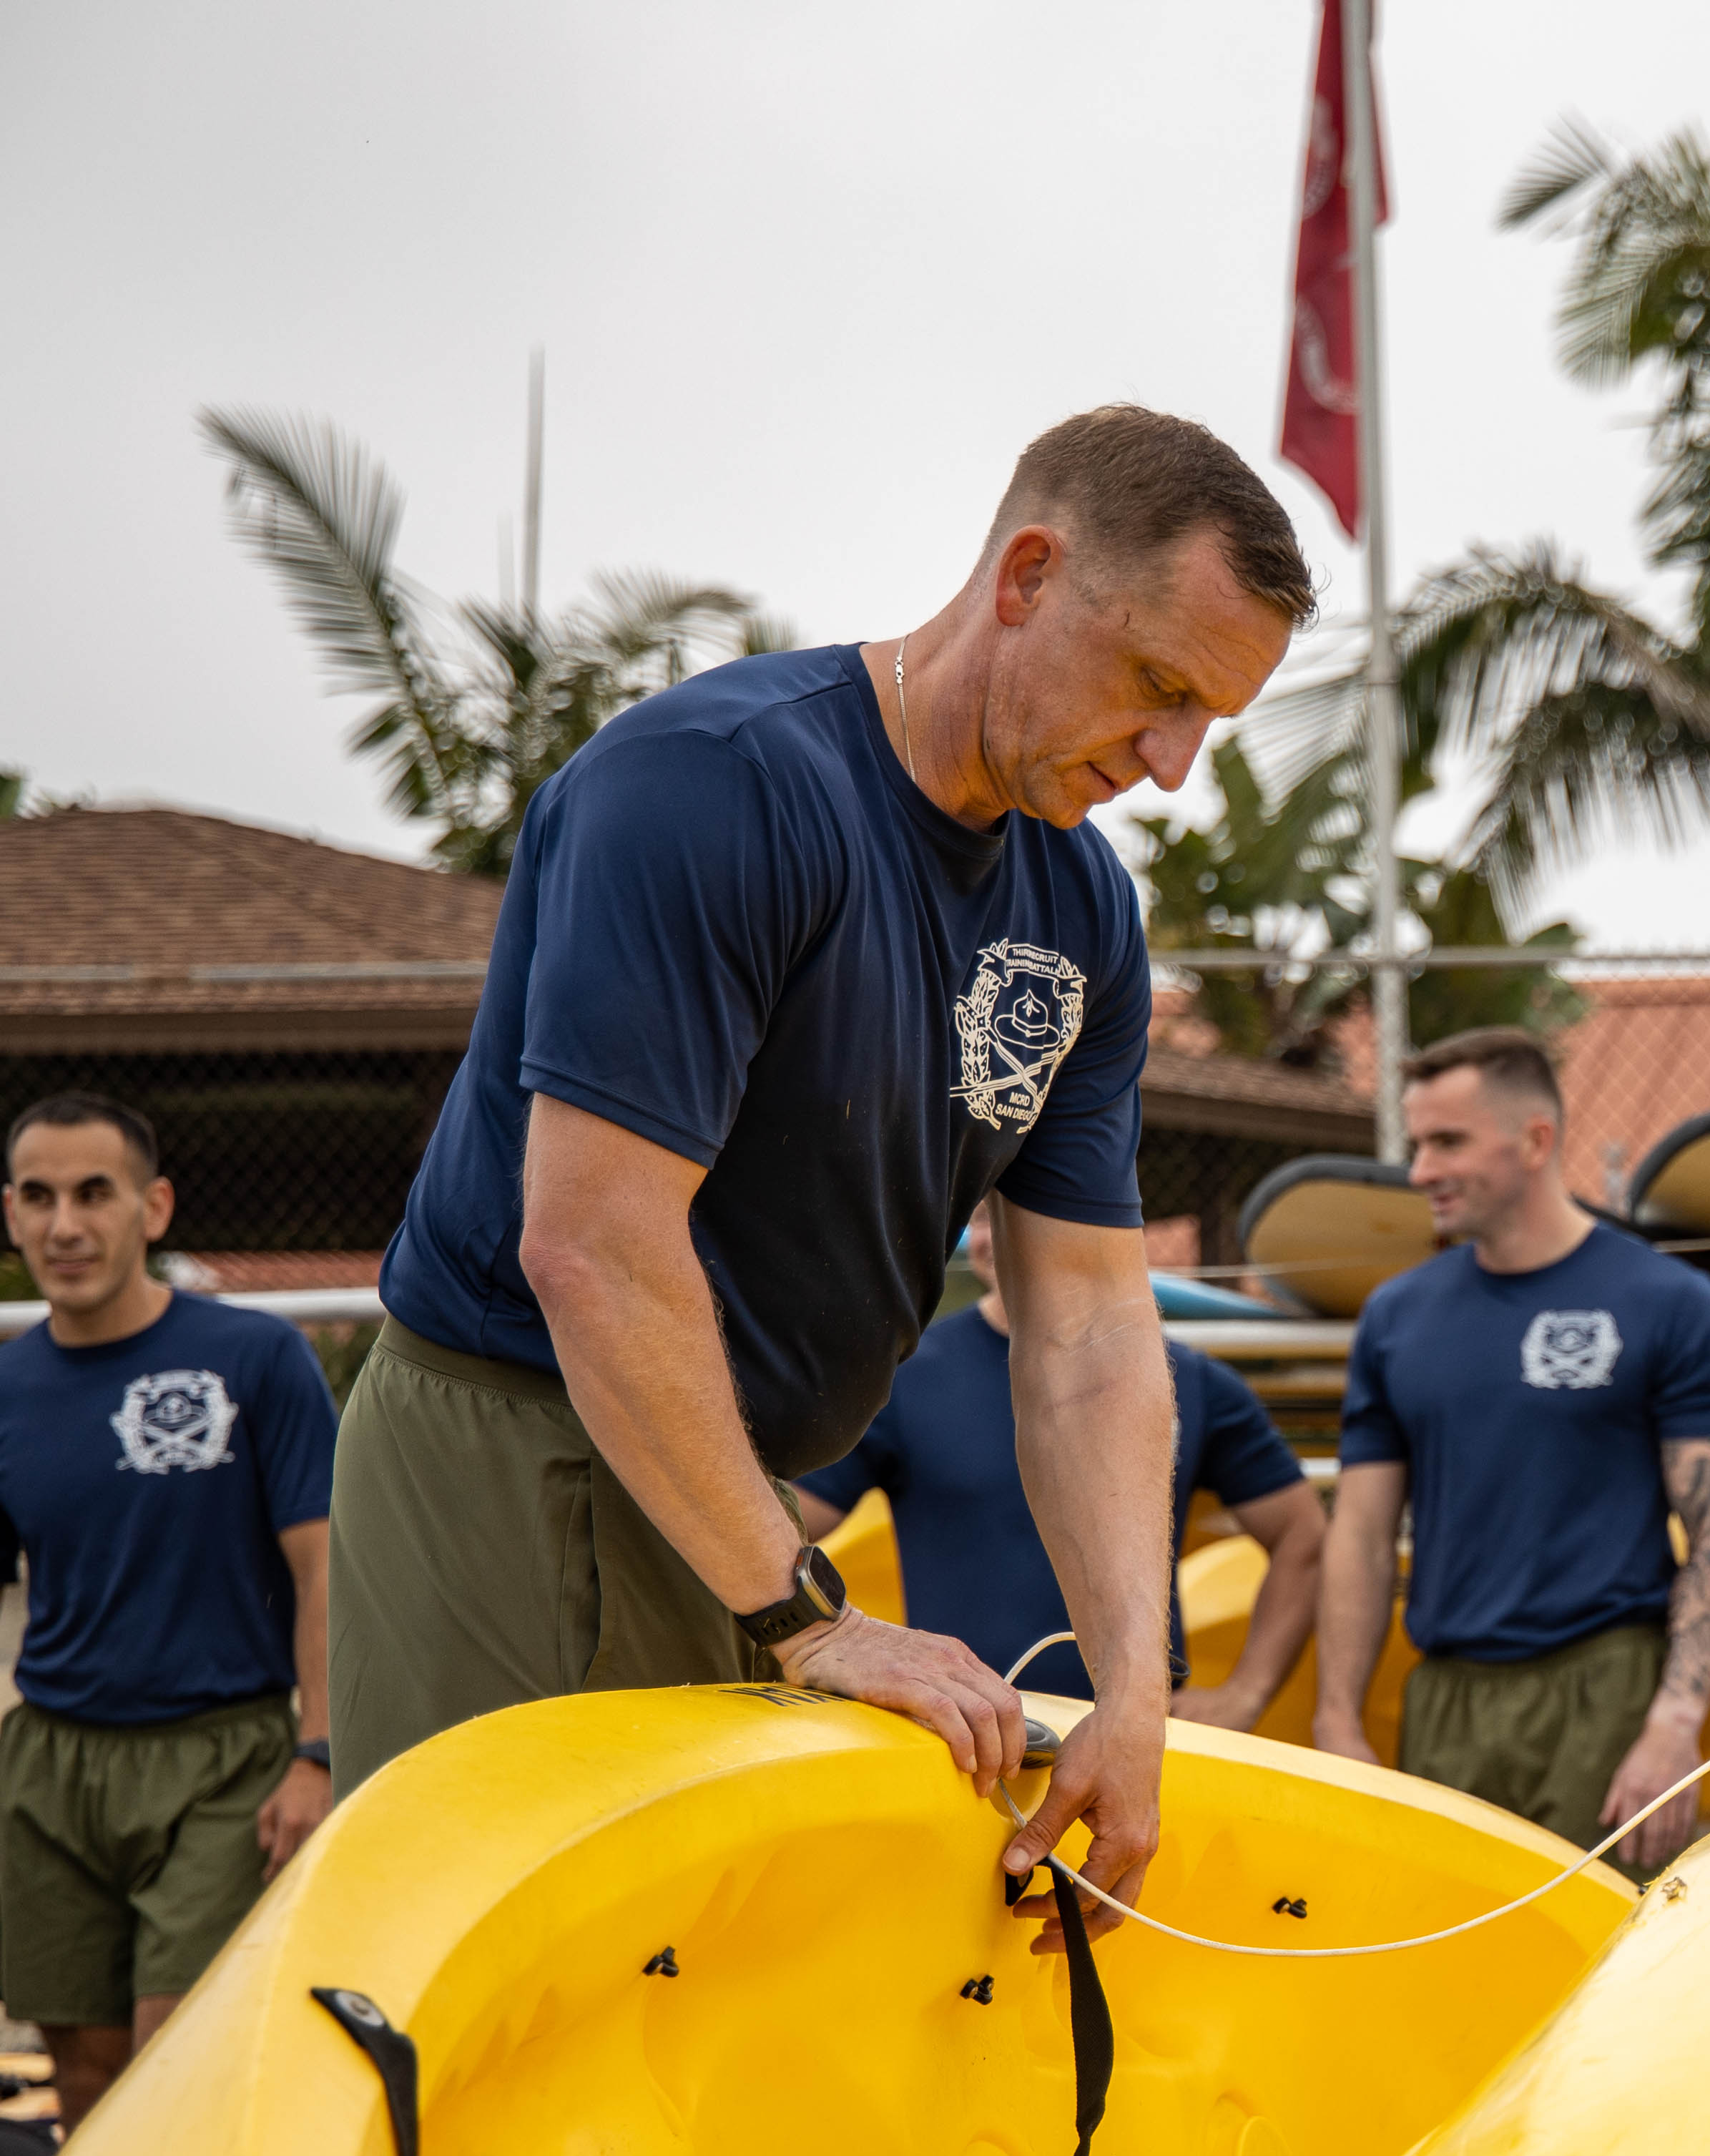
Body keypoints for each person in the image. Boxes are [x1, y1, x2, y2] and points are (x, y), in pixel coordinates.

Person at [330, 407, 1307, 1914]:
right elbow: (593, 1246)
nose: (1173, 765)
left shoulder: (1082, 912)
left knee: (718, 1976)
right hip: (525, 1440)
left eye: (1209, 721)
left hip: (741, 1490)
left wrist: (1135, 1689)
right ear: (1028, 576)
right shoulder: (714, 784)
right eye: (1160, 687)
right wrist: (811, 1619)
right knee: (510, 1967)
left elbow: (1088, 1325)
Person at [1317, 1032, 1710, 1869]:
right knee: (1449, 1937)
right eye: (1417, 1145)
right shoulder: (1396, 1317)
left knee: (1597, 1943)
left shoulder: (1667, 1302)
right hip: (1446, 1697)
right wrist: (1336, 1718)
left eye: (1448, 1142)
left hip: (1605, 1692)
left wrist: (1673, 1722)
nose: (1420, 1171)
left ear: (1535, 1139)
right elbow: (1361, 1535)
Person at [0, 1095, 338, 2134]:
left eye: (94, 1193)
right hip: (53, 1764)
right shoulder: (6, 1384)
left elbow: (326, 1566)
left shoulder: (256, 1358)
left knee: (176, 2070)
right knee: (87, 2079)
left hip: (224, 1761)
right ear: (10, 1214)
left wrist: (319, 1750)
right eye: (40, 1196)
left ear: (153, 1206)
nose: (66, 1224)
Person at [792, 1199, 1321, 1720]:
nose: (1004, 1231)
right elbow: (784, 1529)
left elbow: (1303, 1535)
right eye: (985, 1215)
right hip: (960, 1739)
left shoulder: (1186, 1381)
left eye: (1035, 1203)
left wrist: (1246, 1693)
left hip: (1136, 1738)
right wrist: (832, 1644)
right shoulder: (905, 1380)